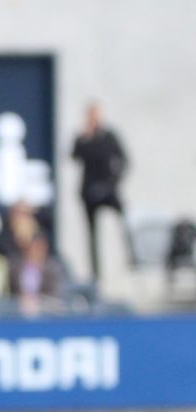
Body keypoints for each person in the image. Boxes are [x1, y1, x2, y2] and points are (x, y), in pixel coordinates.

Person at [70, 102, 128, 283]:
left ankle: (131, 259)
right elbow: (74, 156)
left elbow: (123, 159)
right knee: (92, 233)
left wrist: (113, 182)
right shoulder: (84, 138)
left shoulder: (109, 136)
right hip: (89, 191)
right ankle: (95, 274)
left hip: (108, 188)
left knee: (125, 220)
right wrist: (84, 137)